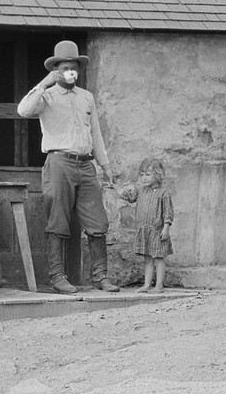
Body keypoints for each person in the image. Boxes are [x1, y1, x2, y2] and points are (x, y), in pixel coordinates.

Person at [17, 40, 119, 294]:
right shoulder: (46, 96)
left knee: (97, 222)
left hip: (85, 166)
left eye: (73, 67)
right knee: (58, 221)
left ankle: (100, 276)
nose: (70, 72)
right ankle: (58, 277)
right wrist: (44, 82)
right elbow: (23, 110)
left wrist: (105, 165)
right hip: (58, 163)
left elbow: (95, 132)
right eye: (64, 68)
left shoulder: (86, 97)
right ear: (56, 70)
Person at [119, 158, 175, 292]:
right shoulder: (141, 191)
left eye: (148, 175)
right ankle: (147, 284)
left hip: (157, 230)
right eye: (142, 175)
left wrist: (166, 227)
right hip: (143, 230)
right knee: (148, 259)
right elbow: (130, 198)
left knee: (158, 258)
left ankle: (159, 285)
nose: (144, 178)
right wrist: (123, 192)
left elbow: (168, 212)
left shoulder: (163, 193)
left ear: (158, 175)